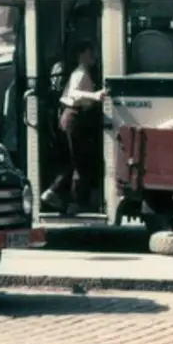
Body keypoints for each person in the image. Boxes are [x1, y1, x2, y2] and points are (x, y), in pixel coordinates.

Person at [41, 40, 107, 215]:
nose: (95, 56)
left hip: (71, 117)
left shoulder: (81, 72)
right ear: (83, 54)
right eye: (91, 52)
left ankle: (53, 192)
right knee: (80, 162)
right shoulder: (81, 72)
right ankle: (75, 203)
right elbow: (74, 94)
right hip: (74, 117)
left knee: (74, 160)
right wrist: (94, 95)